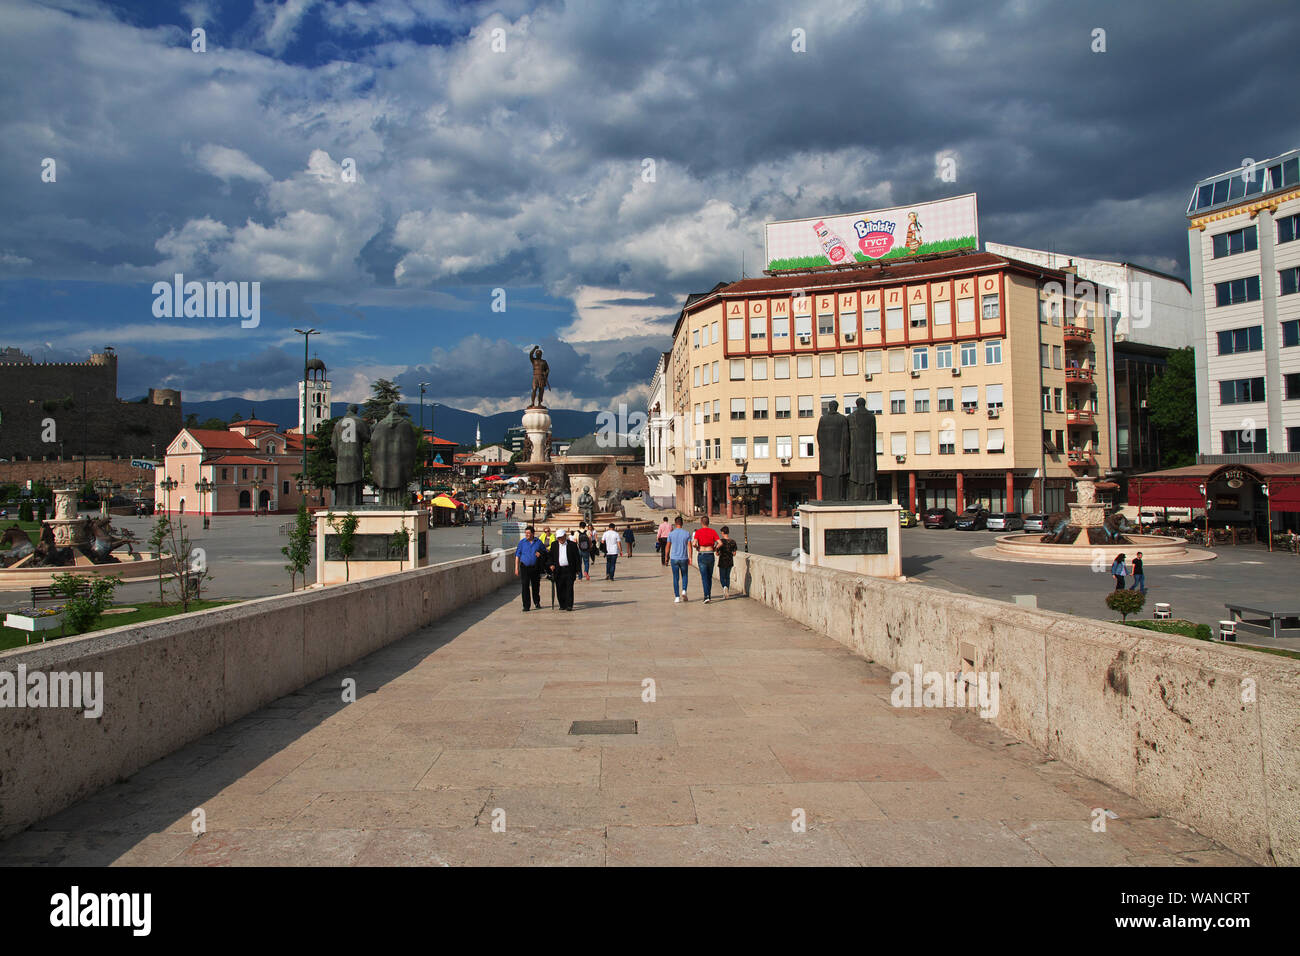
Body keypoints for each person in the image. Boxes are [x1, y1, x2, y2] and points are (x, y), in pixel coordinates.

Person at [514, 525, 547, 612]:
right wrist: (516, 568)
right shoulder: (522, 542)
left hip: (535, 567)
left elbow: (545, 552)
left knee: (535, 586)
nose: (527, 535)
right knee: (525, 586)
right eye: (526, 533)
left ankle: (536, 602)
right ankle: (526, 605)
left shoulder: (538, 542)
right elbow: (517, 555)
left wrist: (540, 553)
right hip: (524, 567)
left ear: (533, 534)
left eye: (529, 533)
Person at [549, 528, 581, 611]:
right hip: (558, 570)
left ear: (565, 536)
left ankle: (569, 605)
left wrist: (578, 569)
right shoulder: (554, 545)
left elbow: (577, 558)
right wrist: (551, 564)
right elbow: (551, 557)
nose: (560, 539)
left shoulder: (572, 545)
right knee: (560, 588)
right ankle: (562, 604)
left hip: (569, 570)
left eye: (561, 537)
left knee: (569, 588)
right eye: (558, 538)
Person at [693, 514, 720, 603]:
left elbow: (694, 543)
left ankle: (706, 596)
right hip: (710, 554)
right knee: (709, 576)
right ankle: (709, 594)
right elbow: (720, 543)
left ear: (701, 523)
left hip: (702, 554)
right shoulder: (712, 531)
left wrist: (697, 547)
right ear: (708, 522)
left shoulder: (698, 532)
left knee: (704, 577)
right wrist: (715, 548)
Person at [667, 515, 693, 602]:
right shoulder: (686, 533)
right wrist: (690, 557)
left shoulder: (671, 534)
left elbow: (668, 547)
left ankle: (677, 597)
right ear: (682, 523)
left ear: (675, 523)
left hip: (674, 558)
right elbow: (690, 547)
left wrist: (666, 557)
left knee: (675, 577)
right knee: (684, 575)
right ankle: (684, 590)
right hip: (684, 558)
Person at [717, 526, 738, 599]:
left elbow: (717, 553)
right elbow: (734, 553)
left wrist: (718, 552)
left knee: (722, 577)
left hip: (722, 560)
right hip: (730, 561)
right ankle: (727, 591)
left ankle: (724, 587)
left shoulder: (720, 541)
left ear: (722, 533)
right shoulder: (733, 542)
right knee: (727, 577)